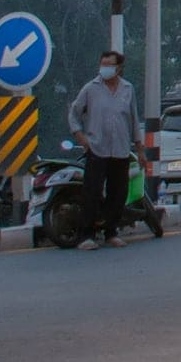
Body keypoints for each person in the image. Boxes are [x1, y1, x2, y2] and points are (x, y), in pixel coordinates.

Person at [68, 49, 145, 251]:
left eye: (109, 65)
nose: (105, 69)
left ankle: (111, 231)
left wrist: (140, 148)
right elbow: (74, 114)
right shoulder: (91, 89)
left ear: (119, 68)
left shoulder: (128, 89)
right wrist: (81, 137)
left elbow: (134, 120)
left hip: (120, 149)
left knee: (118, 193)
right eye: (103, 64)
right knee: (92, 192)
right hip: (97, 148)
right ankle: (86, 234)